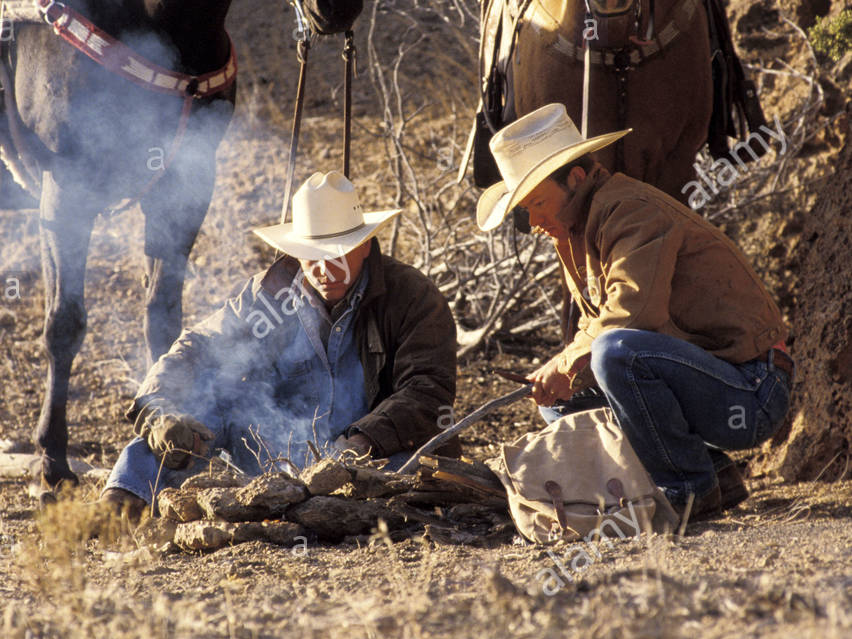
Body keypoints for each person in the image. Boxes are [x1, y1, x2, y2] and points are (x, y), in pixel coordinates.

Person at [477, 103, 793, 519]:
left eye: (537, 203)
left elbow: (632, 314)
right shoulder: (581, 223)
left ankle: (688, 491)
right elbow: (599, 319)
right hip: (714, 382)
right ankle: (714, 474)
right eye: (526, 210)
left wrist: (566, 362)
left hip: (753, 390)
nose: (533, 221)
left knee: (614, 353)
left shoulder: (631, 210)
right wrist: (563, 369)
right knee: (558, 402)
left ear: (574, 178)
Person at [102, 171, 457, 519]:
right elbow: (199, 344)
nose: (323, 269)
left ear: (364, 245)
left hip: (373, 454)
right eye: (311, 255)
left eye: (337, 254)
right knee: (199, 407)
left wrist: (361, 442)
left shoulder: (413, 297)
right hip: (276, 450)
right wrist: (157, 408)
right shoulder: (268, 294)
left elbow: (427, 389)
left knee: (419, 464)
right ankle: (121, 499)